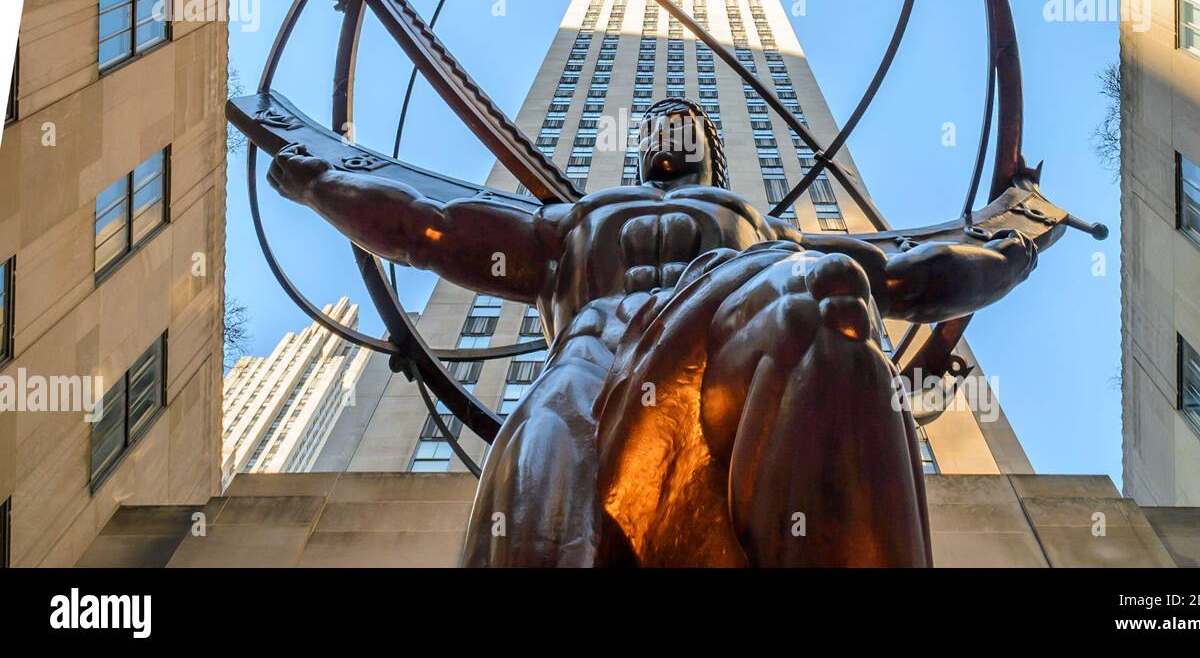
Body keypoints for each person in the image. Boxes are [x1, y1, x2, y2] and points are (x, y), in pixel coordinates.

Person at [269, 97, 1036, 566]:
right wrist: (321, 182)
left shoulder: (757, 227)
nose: (671, 124)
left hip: (722, 346)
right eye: (658, 121)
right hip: (591, 371)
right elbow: (429, 228)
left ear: (709, 146)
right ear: (640, 147)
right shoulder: (570, 221)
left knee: (830, 300)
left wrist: (1012, 248)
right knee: (540, 492)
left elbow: (906, 274)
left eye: (687, 119)